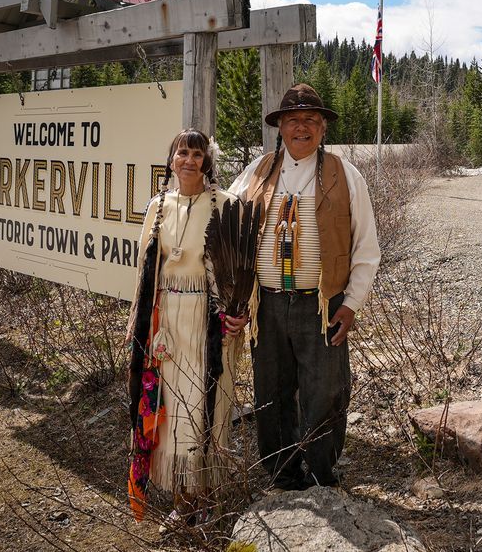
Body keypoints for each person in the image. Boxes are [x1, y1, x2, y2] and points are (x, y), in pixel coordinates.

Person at [230, 83, 380, 491]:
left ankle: (321, 477)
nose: (302, 128)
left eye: (310, 120)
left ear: (323, 129)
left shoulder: (345, 176)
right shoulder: (256, 173)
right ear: (279, 127)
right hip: (267, 305)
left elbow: (366, 247)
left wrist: (350, 304)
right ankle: (282, 477)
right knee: (271, 392)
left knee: (325, 392)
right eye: (293, 120)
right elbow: (224, 223)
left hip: (322, 305)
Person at [125, 128, 248, 527]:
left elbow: (243, 271)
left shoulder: (225, 204)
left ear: (207, 160)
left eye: (197, 154)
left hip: (206, 323)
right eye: (182, 153)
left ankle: (207, 497)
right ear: (172, 159)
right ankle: (182, 500)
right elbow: (144, 273)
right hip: (166, 325)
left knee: (205, 407)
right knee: (171, 408)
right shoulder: (158, 207)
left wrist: (239, 314)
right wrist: (137, 324)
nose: (189, 161)